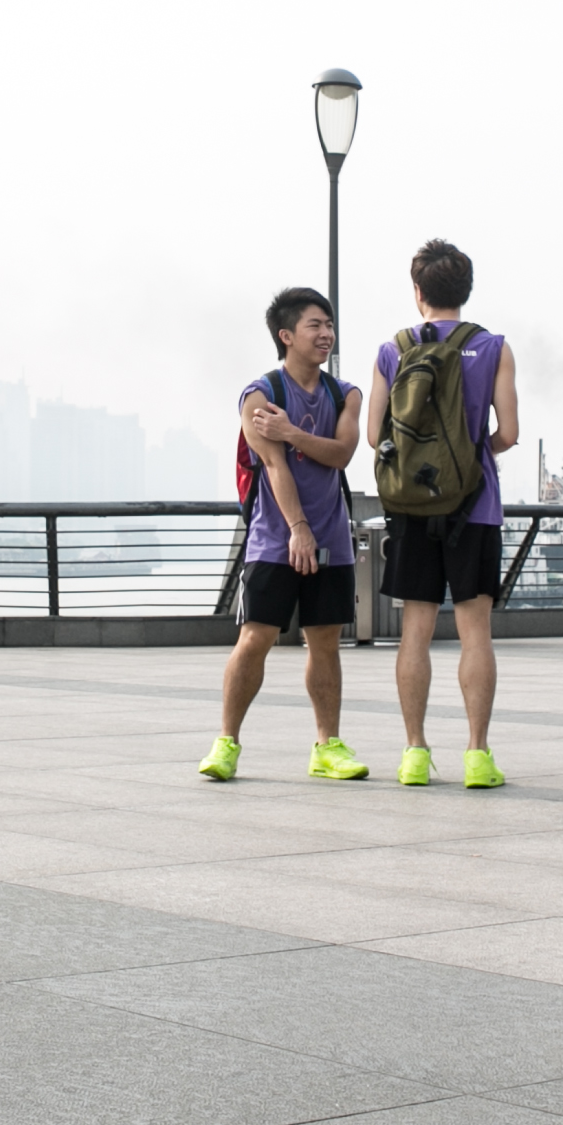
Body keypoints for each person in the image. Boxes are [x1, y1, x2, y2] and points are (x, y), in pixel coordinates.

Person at [198, 287, 370, 782]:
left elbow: (341, 454)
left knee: (325, 643)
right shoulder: (260, 395)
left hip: (332, 538)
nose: (326, 334)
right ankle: (226, 742)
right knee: (256, 638)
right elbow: (274, 466)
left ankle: (327, 746)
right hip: (274, 538)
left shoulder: (345, 394)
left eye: (330, 325)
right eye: (315, 325)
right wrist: (297, 528)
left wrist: (292, 432)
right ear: (287, 335)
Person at [369, 239, 521, 788]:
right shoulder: (493, 347)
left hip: (412, 506)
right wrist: (471, 457)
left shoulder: (394, 350)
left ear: (418, 292)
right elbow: (509, 433)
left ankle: (414, 752)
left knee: (416, 629)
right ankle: (477, 756)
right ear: (467, 289)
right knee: (475, 630)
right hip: (474, 508)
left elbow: (374, 436)